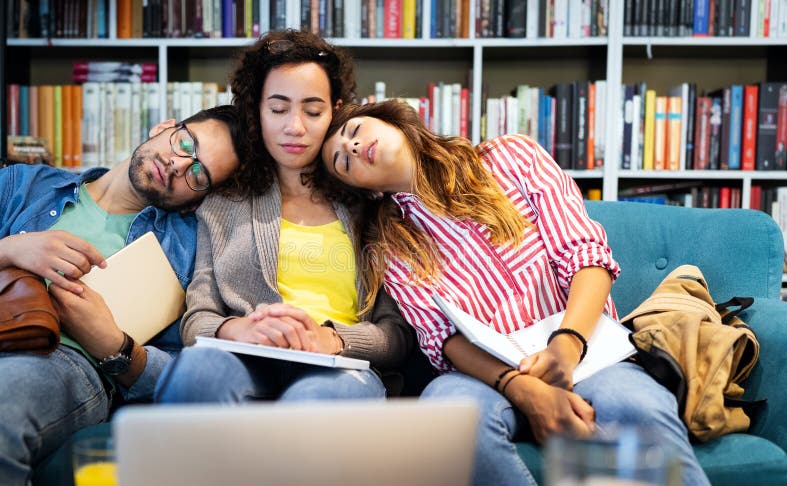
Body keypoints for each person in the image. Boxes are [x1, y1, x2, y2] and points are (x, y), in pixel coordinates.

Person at [317, 100, 710, 486]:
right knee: (449, 412)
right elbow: (443, 337)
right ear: (366, 191)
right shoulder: (389, 248)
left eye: (355, 131)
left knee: (637, 404)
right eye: (343, 162)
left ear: (390, 120)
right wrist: (526, 392)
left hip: (587, 349)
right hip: (489, 380)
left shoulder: (513, 157)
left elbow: (586, 256)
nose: (353, 147)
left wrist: (567, 345)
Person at [155, 30, 417, 406]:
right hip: (246, 360)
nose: (295, 127)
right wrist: (237, 330)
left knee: (315, 400)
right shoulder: (222, 204)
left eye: (313, 111)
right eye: (278, 109)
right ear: (257, 111)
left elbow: (398, 335)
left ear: (335, 109)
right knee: (197, 372)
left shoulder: (371, 205)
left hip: (340, 370)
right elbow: (197, 319)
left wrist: (333, 339)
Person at [0, 104, 247, 485]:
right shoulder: (22, 184)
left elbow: (183, 374)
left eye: (199, 174)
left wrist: (115, 345)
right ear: (164, 127)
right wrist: (11, 250)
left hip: (67, 362)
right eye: (186, 144)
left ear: (198, 199)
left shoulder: (186, 251)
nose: (179, 165)